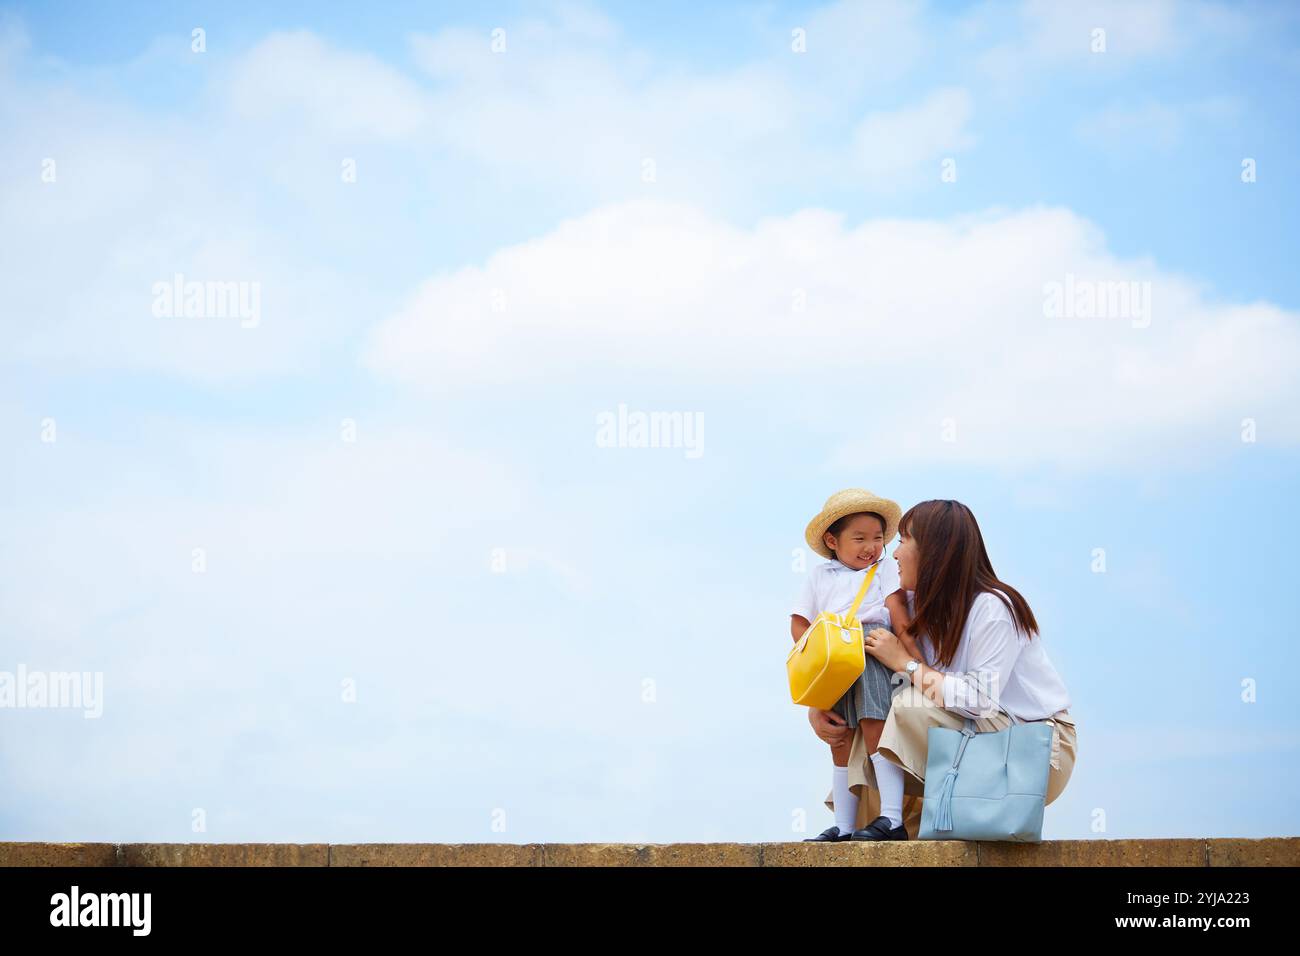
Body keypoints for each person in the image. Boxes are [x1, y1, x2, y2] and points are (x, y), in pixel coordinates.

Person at [809, 499, 1078, 839]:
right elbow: (851, 660)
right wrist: (819, 707)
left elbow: (978, 701)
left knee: (904, 709)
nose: (892, 553)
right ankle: (861, 831)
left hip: (1035, 748)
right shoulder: (911, 607)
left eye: (904, 541)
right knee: (869, 718)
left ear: (933, 551)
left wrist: (904, 663)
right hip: (975, 736)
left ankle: (891, 823)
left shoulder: (993, 608)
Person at [792, 489, 925, 842]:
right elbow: (800, 622)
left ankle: (892, 818)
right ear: (832, 540)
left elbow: (897, 611)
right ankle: (845, 826)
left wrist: (911, 655)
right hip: (835, 654)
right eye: (860, 538)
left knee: (874, 727)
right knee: (839, 738)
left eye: (879, 538)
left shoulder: (883, 571)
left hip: (871, 646)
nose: (872, 546)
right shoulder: (820, 576)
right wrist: (813, 664)